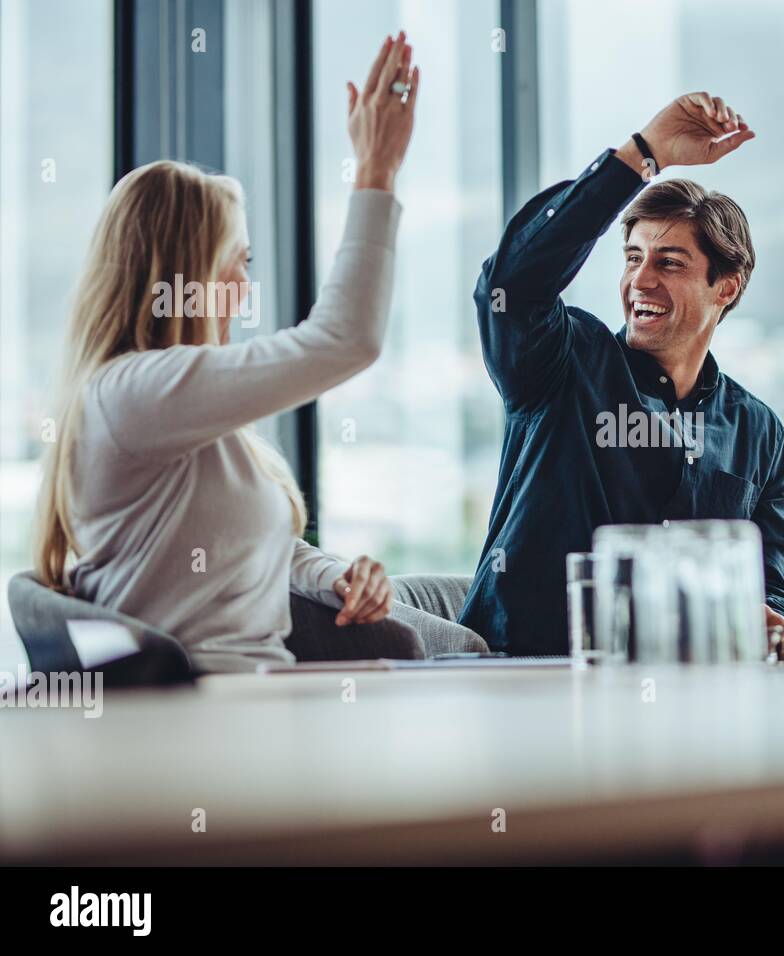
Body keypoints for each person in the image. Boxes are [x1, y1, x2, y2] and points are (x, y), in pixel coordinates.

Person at [33, 33, 481, 673]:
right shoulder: (134, 392)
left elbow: (247, 542)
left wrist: (334, 575)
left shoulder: (177, 405)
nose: (247, 285)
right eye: (236, 262)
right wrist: (376, 172)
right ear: (182, 273)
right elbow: (345, 340)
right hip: (208, 721)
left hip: (257, 701)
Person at [422, 91, 784, 658]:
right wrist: (642, 155)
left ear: (726, 286)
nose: (640, 281)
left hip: (682, 708)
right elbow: (512, 285)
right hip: (524, 691)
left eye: (669, 263)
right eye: (632, 257)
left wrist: (775, 624)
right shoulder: (562, 362)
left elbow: (770, 590)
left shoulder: (759, 434)